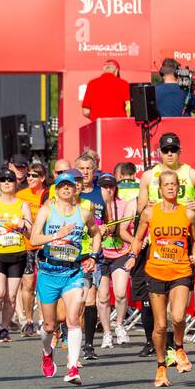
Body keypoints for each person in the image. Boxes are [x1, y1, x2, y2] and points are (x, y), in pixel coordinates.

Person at [133, 133, 195, 358]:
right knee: (152, 301)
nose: (170, 154)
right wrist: (145, 207)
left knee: (176, 309)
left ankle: (173, 346)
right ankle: (155, 342)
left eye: (174, 150)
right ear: (159, 152)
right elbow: (139, 208)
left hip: (181, 242)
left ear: (180, 151)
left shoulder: (191, 173)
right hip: (156, 240)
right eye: (166, 150)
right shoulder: (149, 176)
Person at [130, 170, 195, 388]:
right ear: (160, 189)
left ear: (178, 188)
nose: (170, 187)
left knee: (178, 317)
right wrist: (133, 256)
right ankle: (161, 365)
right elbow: (139, 237)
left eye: (173, 184)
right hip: (156, 271)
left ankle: (179, 347)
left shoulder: (188, 213)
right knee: (160, 325)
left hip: (181, 270)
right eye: (166, 184)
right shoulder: (150, 213)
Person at [30, 170, 100, 384]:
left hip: (73, 272)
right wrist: (56, 235)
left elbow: (96, 234)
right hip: (49, 272)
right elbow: (34, 238)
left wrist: (94, 256)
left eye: (70, 185)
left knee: (73, 320)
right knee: (50, 326)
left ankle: (72, 368)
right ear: (57, 190)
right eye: (62, 186)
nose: (66, 188)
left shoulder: (84, 213)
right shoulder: (47, 210)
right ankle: (47, 353)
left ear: (75, 189)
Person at [0, 166, 33, 344]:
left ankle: (4, 327)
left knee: (11, 296)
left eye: (10, 180)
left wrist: (23, 224)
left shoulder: (22, 204)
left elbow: (30, 233)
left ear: (15, 183)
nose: (6, 183)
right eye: (3, 180)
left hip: (17, 253)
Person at [74, 152, 114, 361]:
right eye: (81, 168)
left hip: (94, 254)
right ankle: (69, 334)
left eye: (89, 168)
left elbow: (110, 222)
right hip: (72, 255)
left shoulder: (103, 194)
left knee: (92, 298)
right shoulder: (70, 196)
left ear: (95, 169)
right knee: (76, 300)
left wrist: (106, 230)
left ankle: (88, 344)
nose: (85, 172)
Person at [97, 164, 139, 347]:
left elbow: (127, 228)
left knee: (121, 293)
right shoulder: (95, 207)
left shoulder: (124, 205)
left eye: (111, 186)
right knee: (103, 296)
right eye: (105, 186)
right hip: (101, 254)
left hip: (121, 252)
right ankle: (107, 332)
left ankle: (120, 325)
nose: (108, 190)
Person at [16, 160, 48, 337]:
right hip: (26, 245)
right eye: (28, 175)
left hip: (44, 244)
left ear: (42, 178)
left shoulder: (49, 194)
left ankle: (43, 318)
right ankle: (28, 320)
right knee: (28, 284)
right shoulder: (21, 195)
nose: (29, 178)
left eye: (34, 175)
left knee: (43, 283)